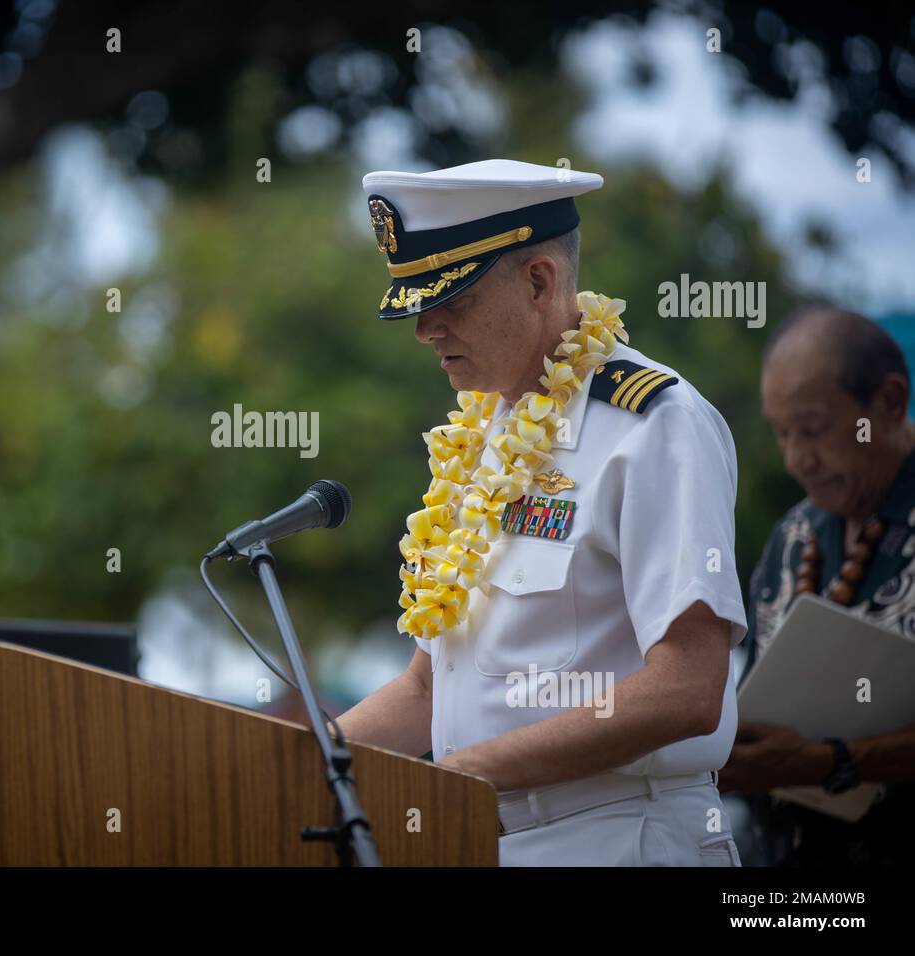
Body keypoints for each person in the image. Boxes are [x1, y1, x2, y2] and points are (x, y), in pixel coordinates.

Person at [336, 158, 748, 865]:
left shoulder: (655, 424)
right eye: (413, 304)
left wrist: (465, 775)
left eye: (450, 299)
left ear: (539, 281)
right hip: (488, 840)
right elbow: (425, 687)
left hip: (619, 836)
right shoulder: (481, 438)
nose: (425, 330)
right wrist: (297, 757)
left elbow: (689, 685)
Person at [720, 306, 915, 865]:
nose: (795, 459)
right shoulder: (795, 533)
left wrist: (831, 762)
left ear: (889, 402)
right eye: (781, 433)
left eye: (812, 430)